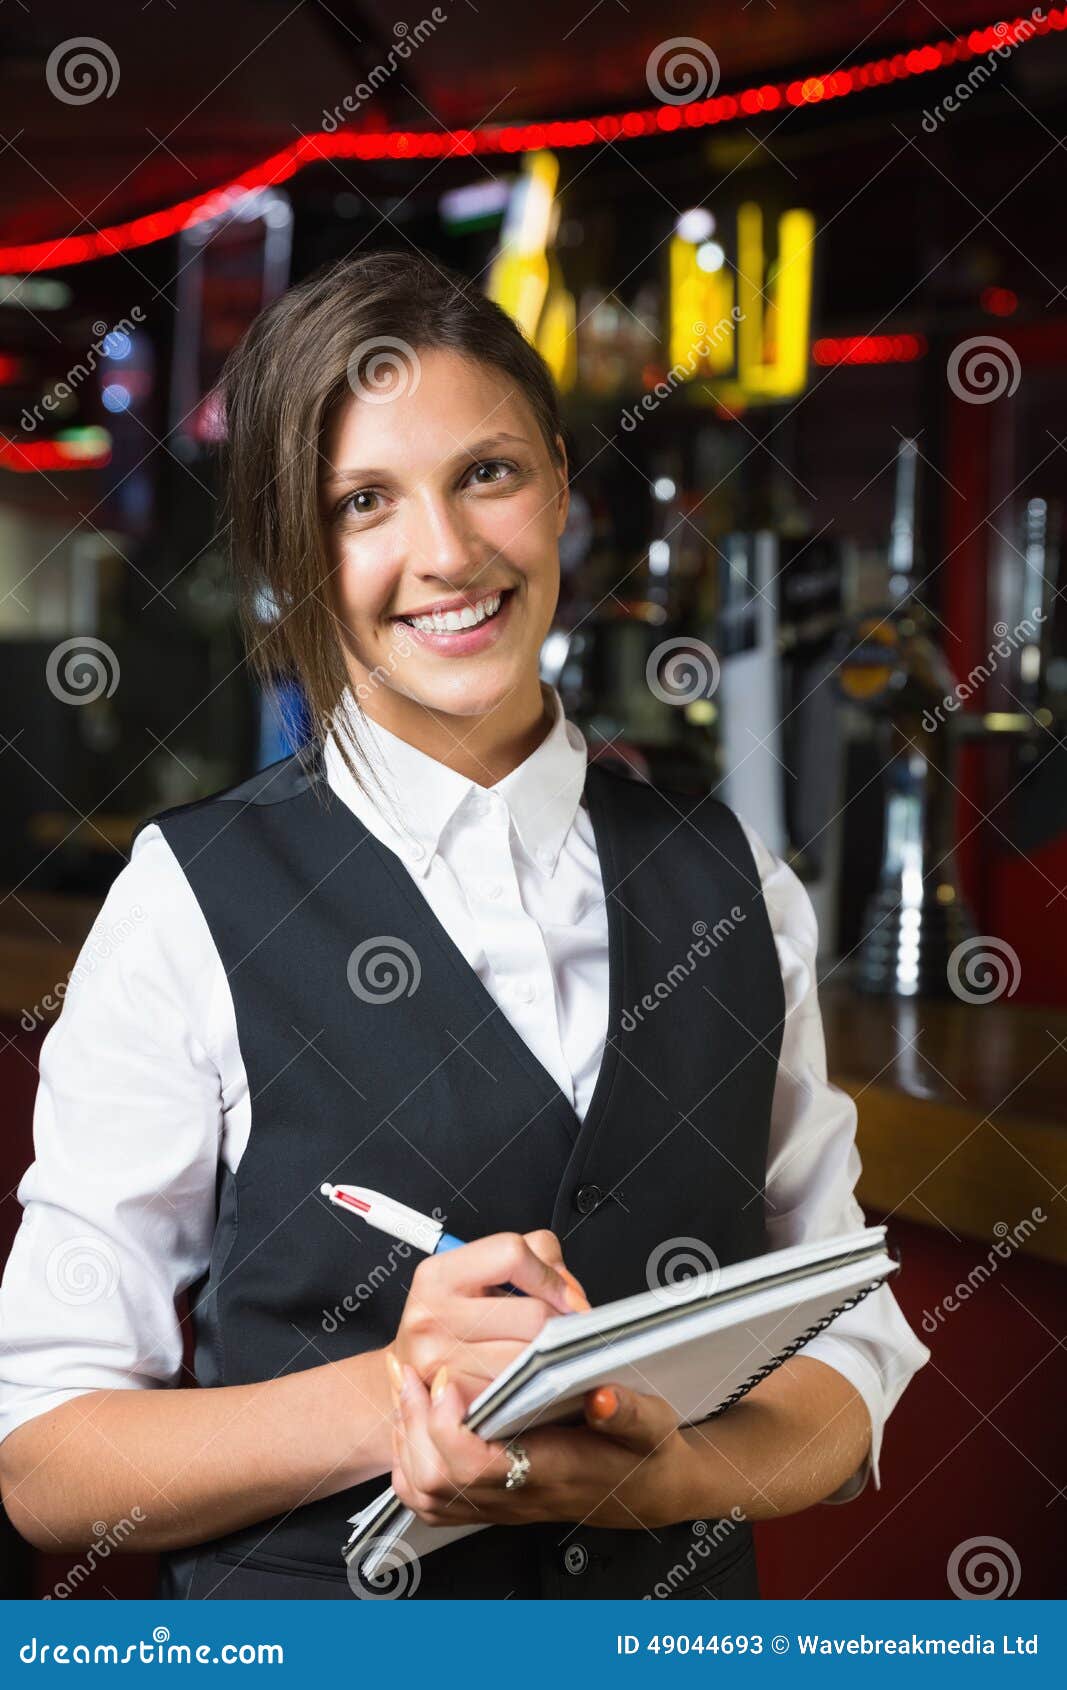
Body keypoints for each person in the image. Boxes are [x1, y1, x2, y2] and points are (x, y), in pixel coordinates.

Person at [0, 250, 928, 1601]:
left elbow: (853, 1346)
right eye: (362, 501)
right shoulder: (188, 900)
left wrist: (657, 1481)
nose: (445, 553)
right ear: (293, 552)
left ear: (557, 483)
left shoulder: (736, 882)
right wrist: (399, 1393)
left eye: (484, 472)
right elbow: (47, 1456)